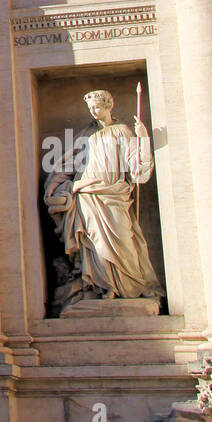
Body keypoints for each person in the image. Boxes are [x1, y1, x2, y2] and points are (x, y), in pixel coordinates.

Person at [46, 90, 160, 300]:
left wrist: (142, 137)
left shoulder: (122, 131)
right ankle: (105, 286)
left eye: (97, 107)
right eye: (91, 108)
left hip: (114, 193)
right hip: (88, 193)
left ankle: (131, 285)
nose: (93, 111)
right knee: (95, 241)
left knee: (124, 240)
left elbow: (137, 170)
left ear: (109, 106)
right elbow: (69, 163)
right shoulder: (87, 134)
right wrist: (54, 183)